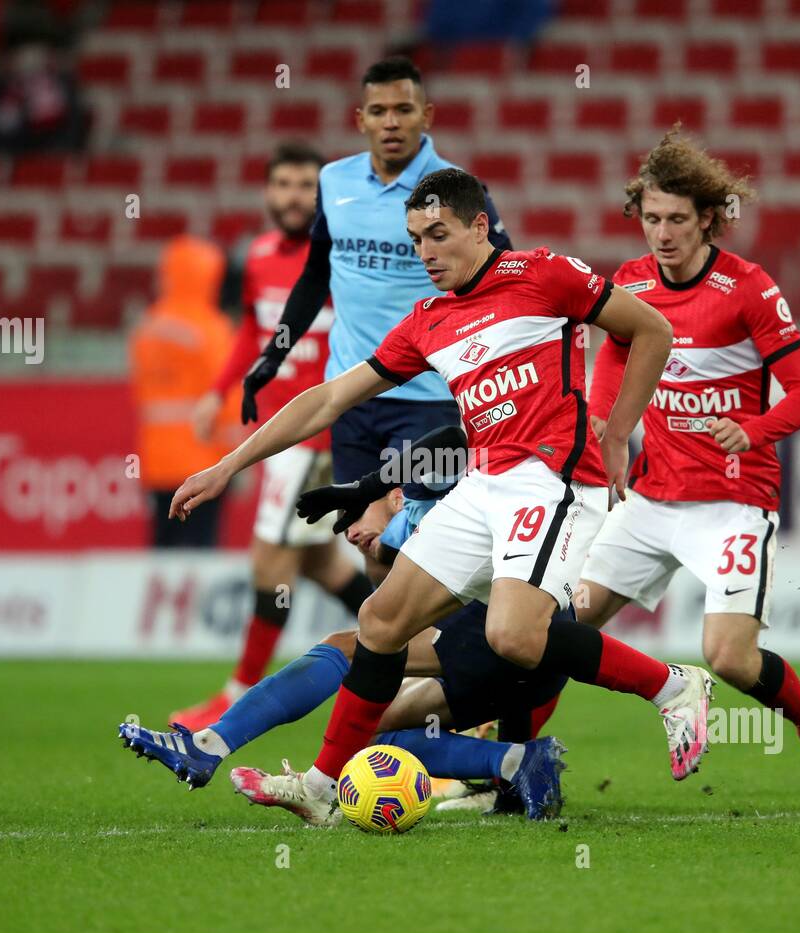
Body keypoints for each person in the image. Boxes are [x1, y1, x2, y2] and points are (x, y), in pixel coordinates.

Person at [167, 168, 714, 824]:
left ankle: (675, 687)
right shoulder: (428, 321)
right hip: (483, 486)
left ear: (480, 226)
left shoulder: (543, 275)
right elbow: (331, 398)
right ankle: (320, 785)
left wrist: (619, 429)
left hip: (554, 481)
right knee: (378, 623)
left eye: (438, 234)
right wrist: (230, 462)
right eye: (415, 238)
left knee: (513, 634)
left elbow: (651, 328)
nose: (424, 251)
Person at [582, 128, 800, 806]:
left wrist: (754, 428)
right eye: (651, 218)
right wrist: (604, 420)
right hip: (650, 499)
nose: (663, 233)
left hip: (734, 499)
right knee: (553, 624)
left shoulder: (749, 289)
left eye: (677, 219)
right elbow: (616, 352)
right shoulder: (633, 282)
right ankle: (510, 763)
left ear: (708, 217)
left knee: (728, 656)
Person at [118, 427, 572, 822]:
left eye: (353, 515)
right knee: (373, 733)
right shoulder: (406, 543)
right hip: (508, 644)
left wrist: (379, 478)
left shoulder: (436, 492)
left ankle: (216, 747)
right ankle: (520, 762)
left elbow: (453, 441)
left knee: (351, 646)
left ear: (395, 493)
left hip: (516, 632)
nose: (349, 532)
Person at [238, 56, 511, 581]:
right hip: (352, 396)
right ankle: (399, 664)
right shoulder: (334, 181)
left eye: (403, 109)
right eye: (379, 110)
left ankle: (443, 660)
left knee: (418, 540)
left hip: (428, 398)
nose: (391, 121)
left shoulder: (456, 190)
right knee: (366, 539)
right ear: (359, 118)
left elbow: (502, 278)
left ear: (426, 115)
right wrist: (274, 355)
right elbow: (316, 273)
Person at [170, 142, 371, 727]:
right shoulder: (258, 256)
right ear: (267, 192)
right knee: (321, 567)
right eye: (282, 184)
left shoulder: (341, 259)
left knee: (269, 562)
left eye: (306, 186)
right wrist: (219, 389)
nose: (293, 196)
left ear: (324, 194)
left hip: (316, 436)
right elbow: (255, 333)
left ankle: (238, 696)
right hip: (276, 436)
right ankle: (424, 638)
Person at [129, 236, 237, 548]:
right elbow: (226, 396)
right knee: (200, 548)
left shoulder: (146, 328)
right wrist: (235, 459)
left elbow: (142, 394)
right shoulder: (212, 328)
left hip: (157, 460)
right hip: (202, 460)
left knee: (164, 545)